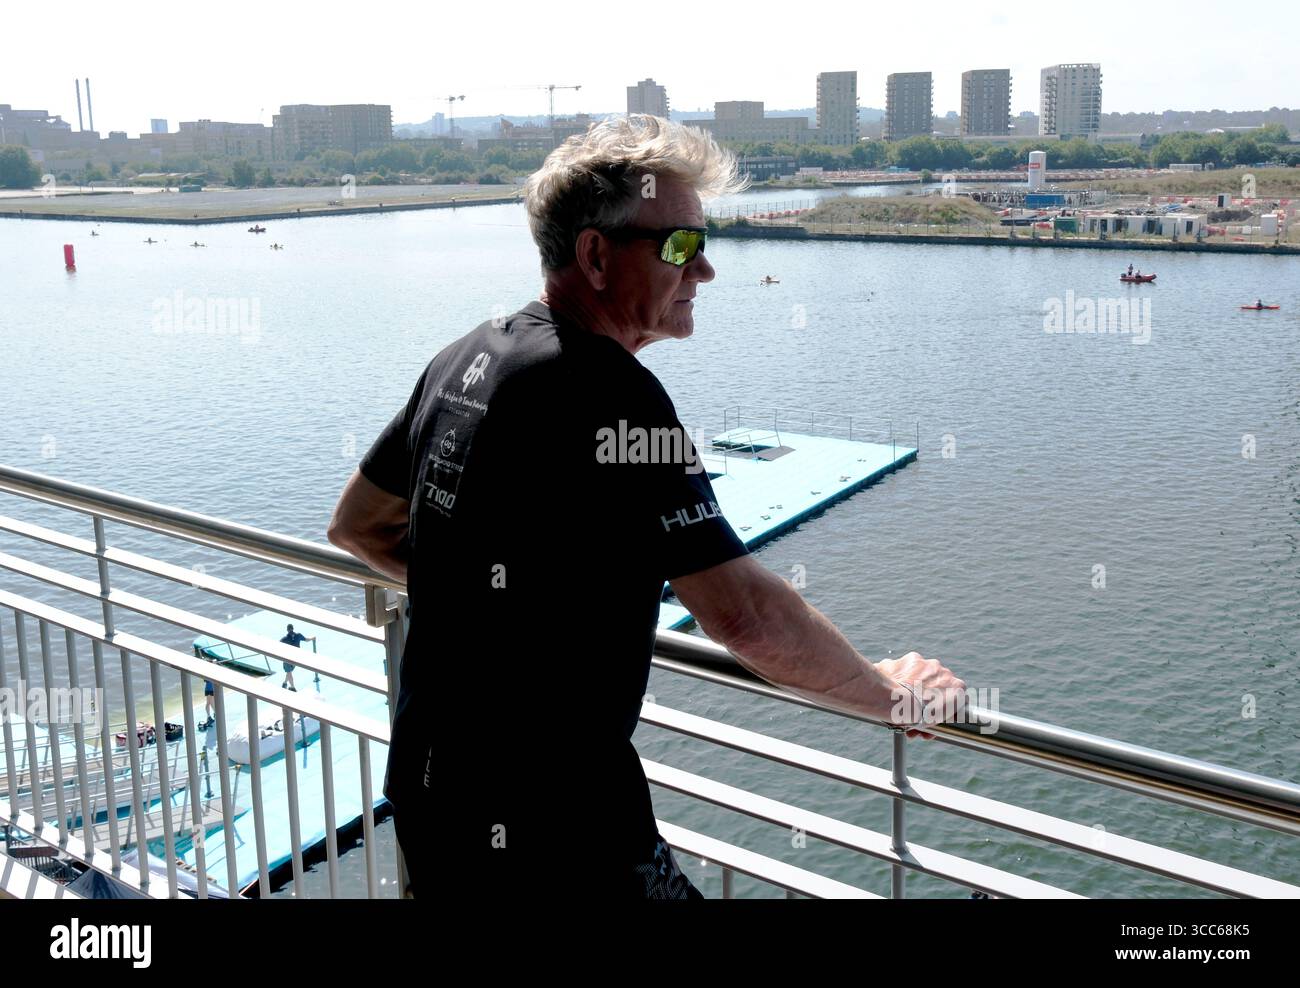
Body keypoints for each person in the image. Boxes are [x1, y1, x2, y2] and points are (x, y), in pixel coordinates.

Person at [326, 114, 964, 901]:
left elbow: (358, 524)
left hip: (432, 790)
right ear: (596, 255)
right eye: (682, 246)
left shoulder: (468, 353)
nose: (705, 273)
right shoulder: (612, 394)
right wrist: (889, 691)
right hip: (560, 833)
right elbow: (744, 618)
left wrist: (500, 595)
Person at [278, 623, 314, 691]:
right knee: (289, 672)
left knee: (289, 672)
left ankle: (292, 687)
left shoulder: (285, 639)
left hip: (287, 658)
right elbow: (307, 640)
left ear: (287, 630)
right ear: (293, 629)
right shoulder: (298, 635)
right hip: (296, 658)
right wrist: (313, 638)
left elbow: (277, 645)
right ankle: (285, 683)